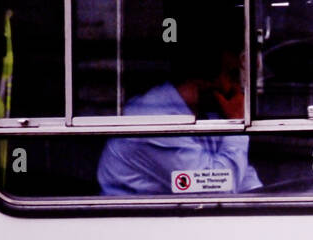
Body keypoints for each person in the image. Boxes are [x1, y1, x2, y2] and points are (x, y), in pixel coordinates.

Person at [97, 8, 260, 196]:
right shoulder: (154, 118)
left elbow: (244, 179)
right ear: (204, 80)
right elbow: (216, 190)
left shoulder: (203, 114)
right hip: (130, 222)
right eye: (231, 76)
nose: (236, 89)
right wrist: (237, 124)